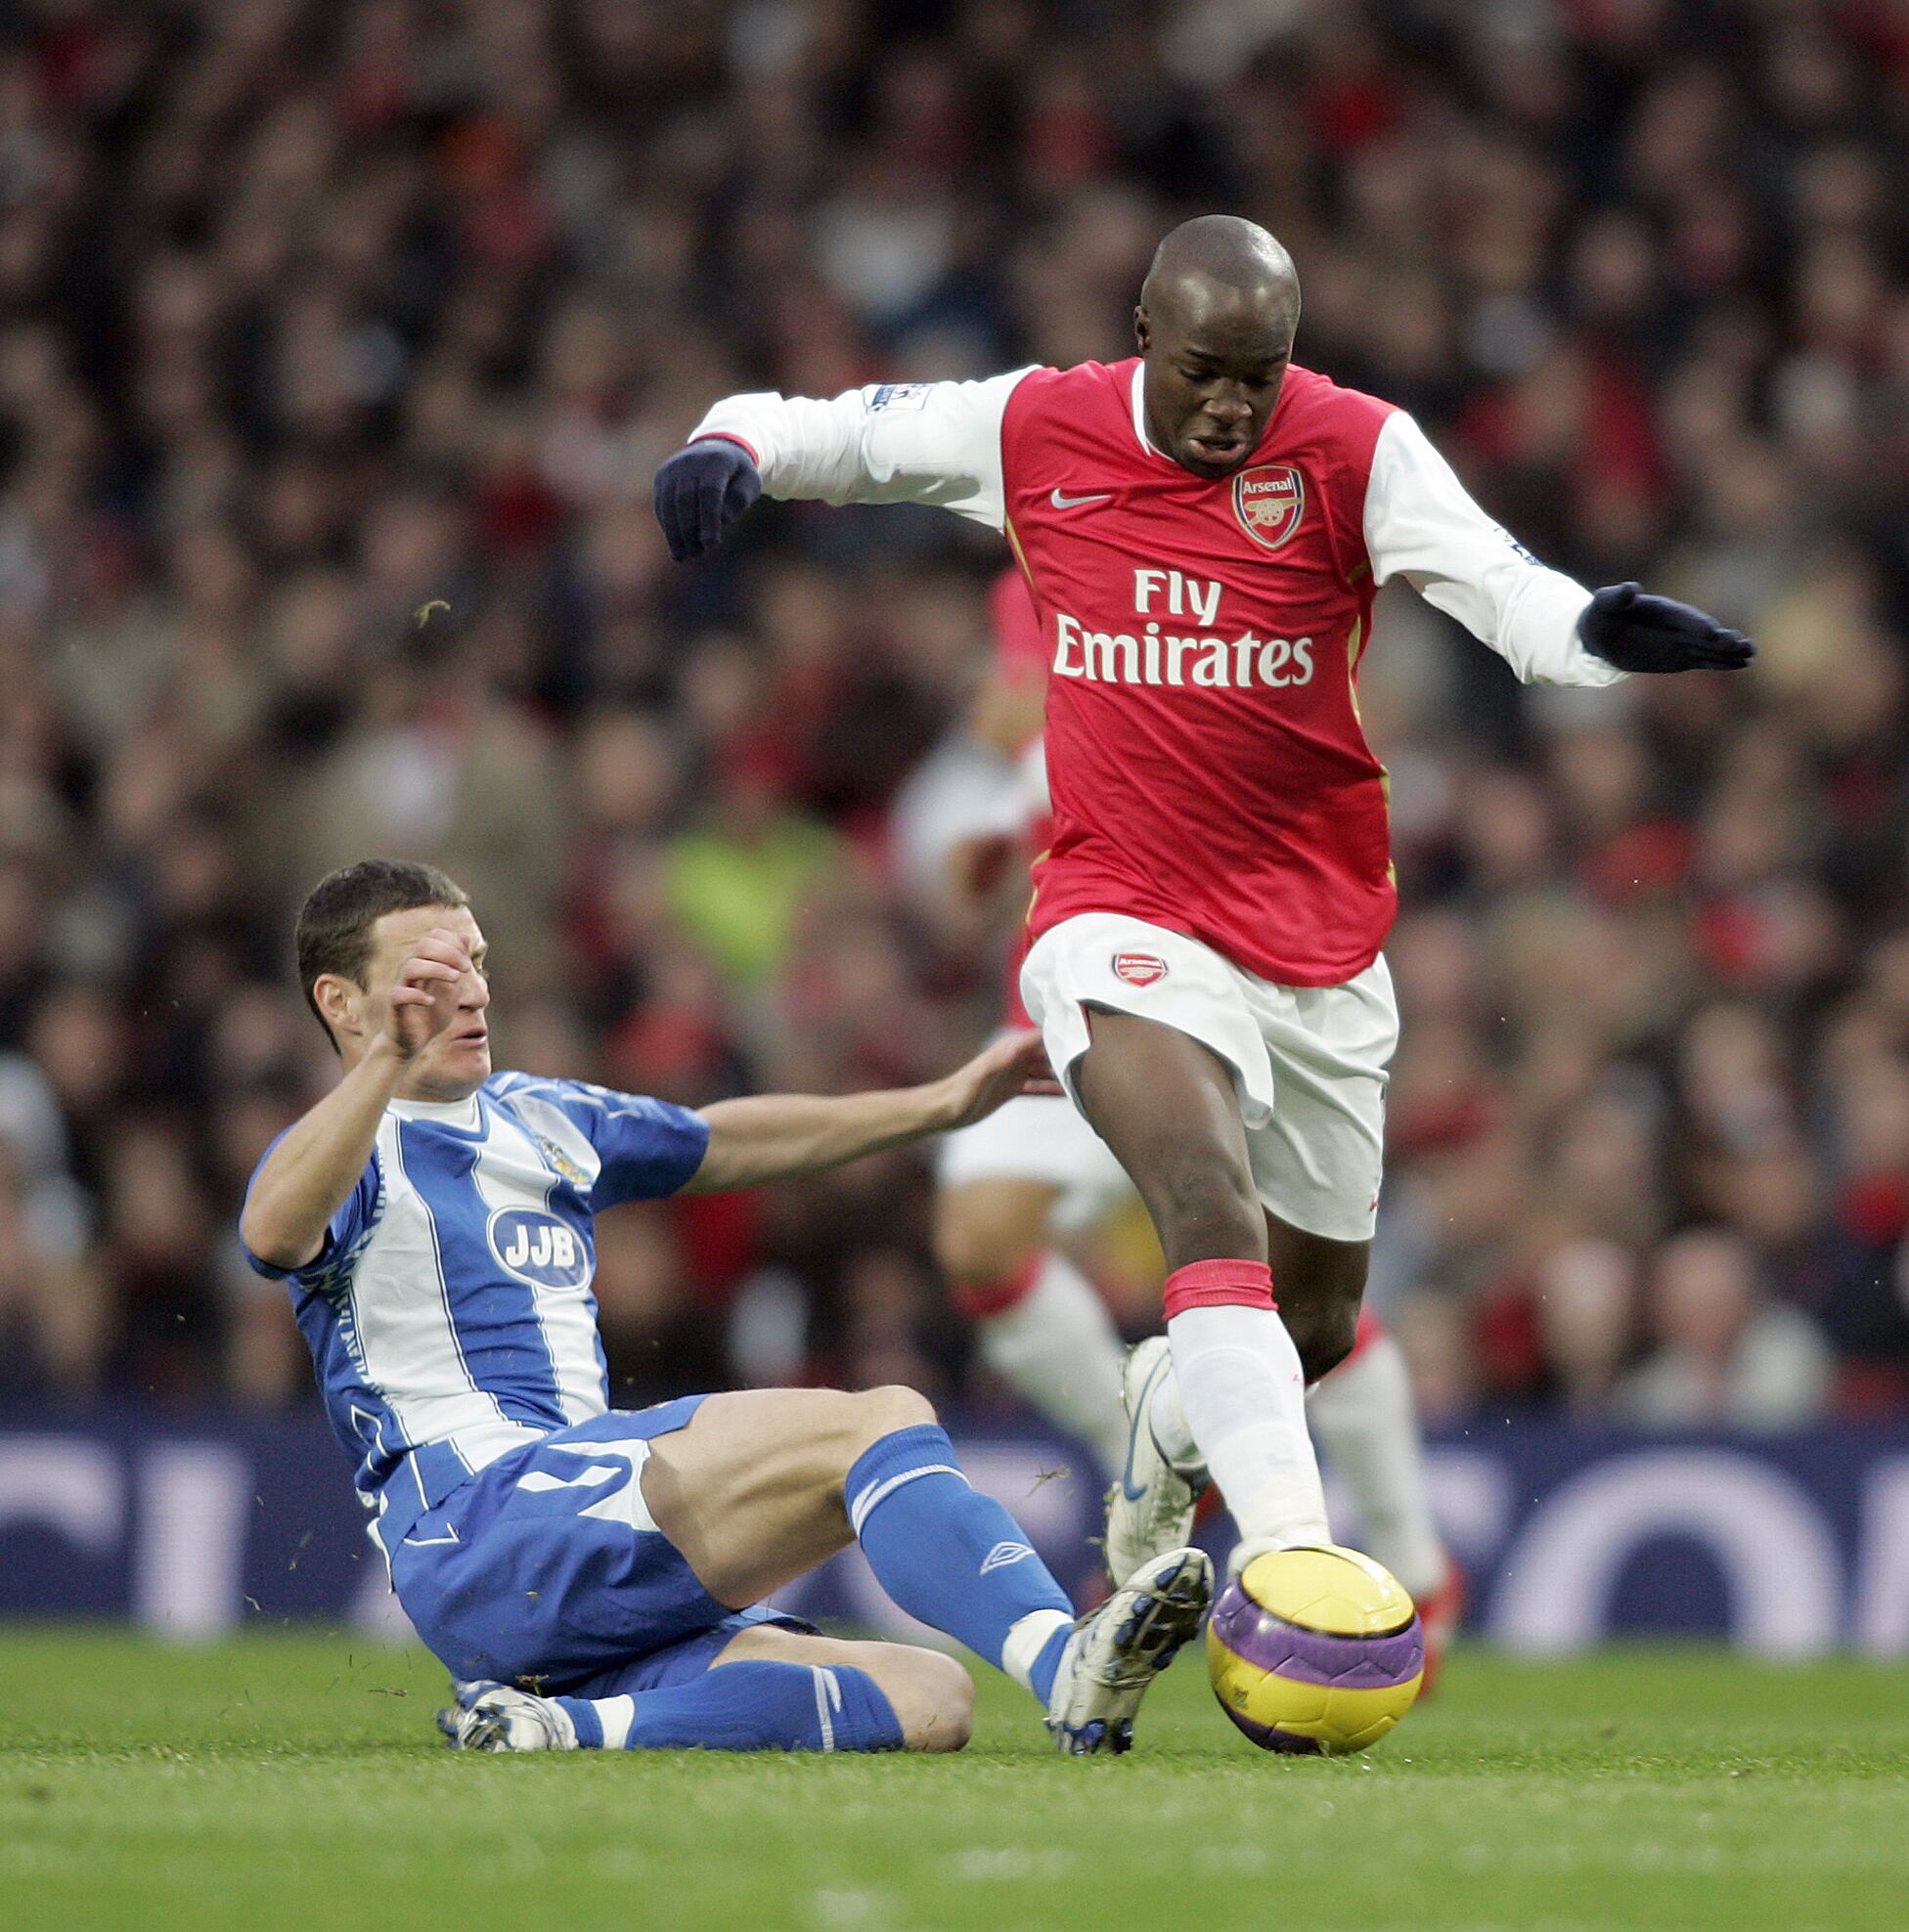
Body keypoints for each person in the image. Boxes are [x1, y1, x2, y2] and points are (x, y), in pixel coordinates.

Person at [655, 214, 1754, 1596]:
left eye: (1260, 374)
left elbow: (1502, 590)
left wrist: (1592, 635)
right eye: (1204, 372)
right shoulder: (1036, 427)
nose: (1235, 404)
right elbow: (846, 433)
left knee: (1315, 1326)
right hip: (1118, 909)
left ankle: (1161, 1433)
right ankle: (1296, 1565)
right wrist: (731, 445)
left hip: (1315, 939)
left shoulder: (1354, 446)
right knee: (1200, 1195)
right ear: (1143, 340)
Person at [238, 859, 1211, 1756]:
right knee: (879, 1420)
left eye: (477, 965)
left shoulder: (537, 1117)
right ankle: (1065, 1663)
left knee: (929, 1697)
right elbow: (273, 1232)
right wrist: (382, 1061)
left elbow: (722, 1141)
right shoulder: (351, 1148)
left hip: (571, 1541)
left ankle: (556, 1723)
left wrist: (940, 1106)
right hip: (484, 1522)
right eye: (431, 976)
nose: (472, 995)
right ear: (342, 1002)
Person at [932, 568, 1459, 1656]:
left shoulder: (1234, 570)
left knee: (1296, 1298)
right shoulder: (1032, 565)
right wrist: (999, 831)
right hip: (1080, 985)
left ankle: (1411, 1560)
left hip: (1228, 976)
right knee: (982, 1236)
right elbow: (1044, 750)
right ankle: (1167, 1459)